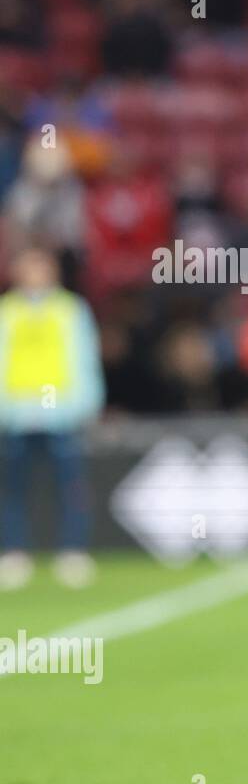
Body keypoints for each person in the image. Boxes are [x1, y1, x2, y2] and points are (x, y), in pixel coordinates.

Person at [0, 244, 105, 590]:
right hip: (14, 416)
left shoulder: (70, 310)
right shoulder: (7, 312)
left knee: (70, 486)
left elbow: (83, 361)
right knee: (13, 488)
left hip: (61, 414)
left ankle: (72, 552)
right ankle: (13, 552)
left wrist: (80, 405)